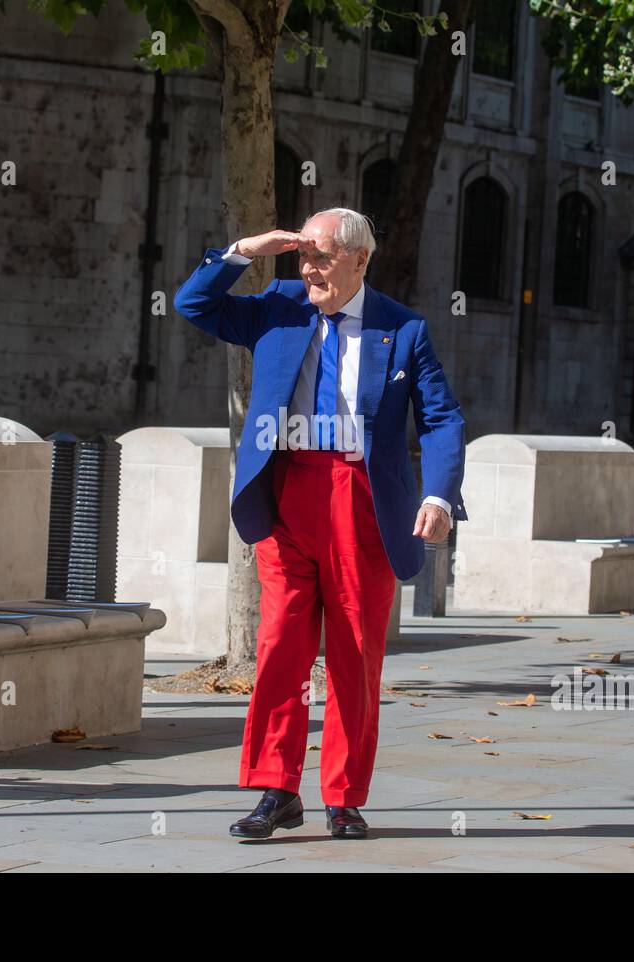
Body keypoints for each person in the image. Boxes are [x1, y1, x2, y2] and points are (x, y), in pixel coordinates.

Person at [172, 207, 467, 840]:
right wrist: (245, 250)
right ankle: (275, 791)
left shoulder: (404, 329)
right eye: (303, 256)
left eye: (323, 256)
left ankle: (343, 796)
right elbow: (193, 305)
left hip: (362, 501)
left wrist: (439, 496)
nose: (309, 267)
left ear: (362, 259)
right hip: (288, 495)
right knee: (280, 648)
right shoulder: (279, 304)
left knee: (356, 655)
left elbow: (441, 418)